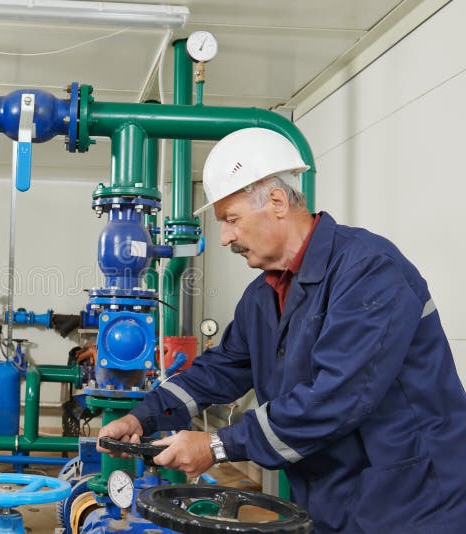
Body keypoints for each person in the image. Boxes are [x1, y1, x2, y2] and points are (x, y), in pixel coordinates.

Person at [97, 127, 466, 533]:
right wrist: (144, 417)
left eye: (231, 220)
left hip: (415, 502)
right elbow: (221, 369)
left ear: (276, 201)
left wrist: (217, 445)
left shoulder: (369, 269)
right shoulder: (263, 295)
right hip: (332, 500)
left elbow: (336, 397)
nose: (225, 238)